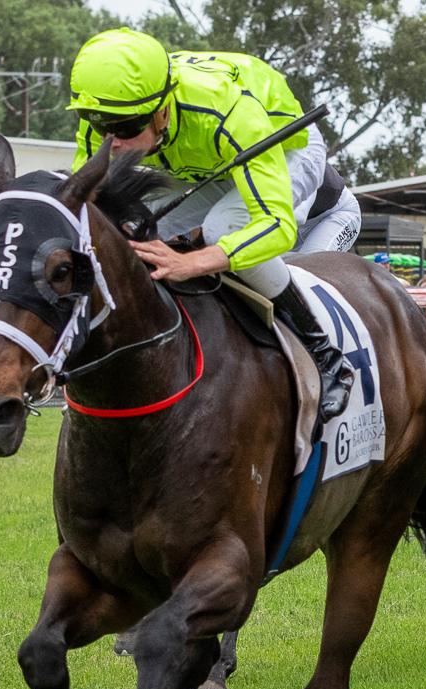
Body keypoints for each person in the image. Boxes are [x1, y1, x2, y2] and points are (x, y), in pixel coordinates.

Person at [67, 28, 360, 421]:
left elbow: (276, 226)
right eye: (96, 122)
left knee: (224, 228)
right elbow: (85, 211)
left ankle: (327, 356)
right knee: (133, 223)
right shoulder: (108, 121)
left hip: (286, 147)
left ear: (162, 111)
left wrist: (193, 263)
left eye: (125, 127)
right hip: (219, 163)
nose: (110, 141)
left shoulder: (226, 111)